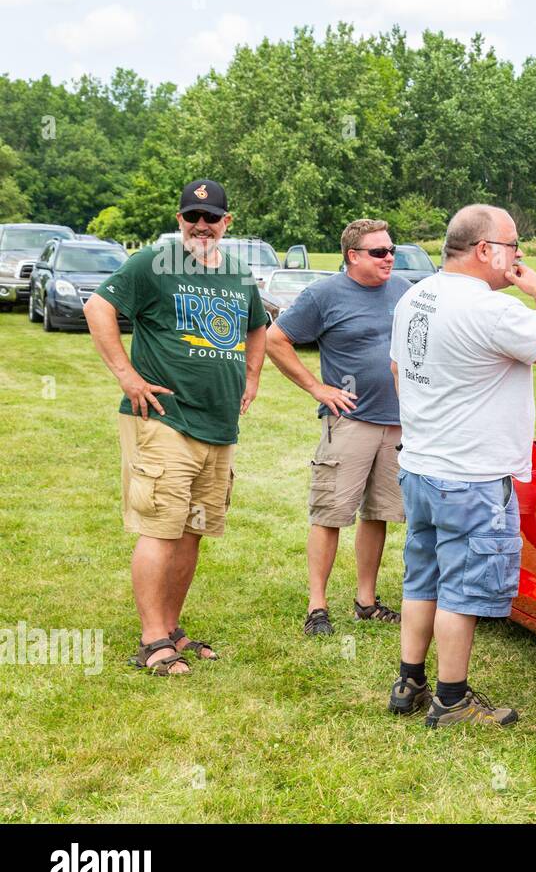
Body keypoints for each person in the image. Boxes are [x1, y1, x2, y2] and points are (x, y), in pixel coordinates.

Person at [387, 204, 536, 726]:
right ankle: (452, 699)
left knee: (422, 577)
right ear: (486, 250)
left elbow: (400, 370)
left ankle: (410, 681)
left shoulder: (414, 296)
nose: (518, 255)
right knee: (462, 589)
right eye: (514, 246)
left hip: (420, 465)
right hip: (470, 476)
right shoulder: (491, 310)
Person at [84, 179, 269, 674]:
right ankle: (151, 641)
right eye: (193, 216)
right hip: (164, 419)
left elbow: (257, 325)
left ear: (228, 223)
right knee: (162, 529)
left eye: (212, 218)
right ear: (179, 219)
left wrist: (251, 375)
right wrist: (128, 377)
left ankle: (171, 628)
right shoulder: (152, 264)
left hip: (218, 425)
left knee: (193, 531)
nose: (201, 226)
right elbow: (98, 307)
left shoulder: (236, 271)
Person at [265, 219, 409, 635]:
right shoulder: (324, 295)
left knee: (379, 512)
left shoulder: (402, 289)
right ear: (353, 256)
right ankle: (317, 607)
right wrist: (317, 388)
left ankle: (366, 600)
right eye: (379, 252)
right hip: (349, 422)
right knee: (330, 513)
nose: (389, 258)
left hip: (396, 423)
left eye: (391, 249)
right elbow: (277, 339)